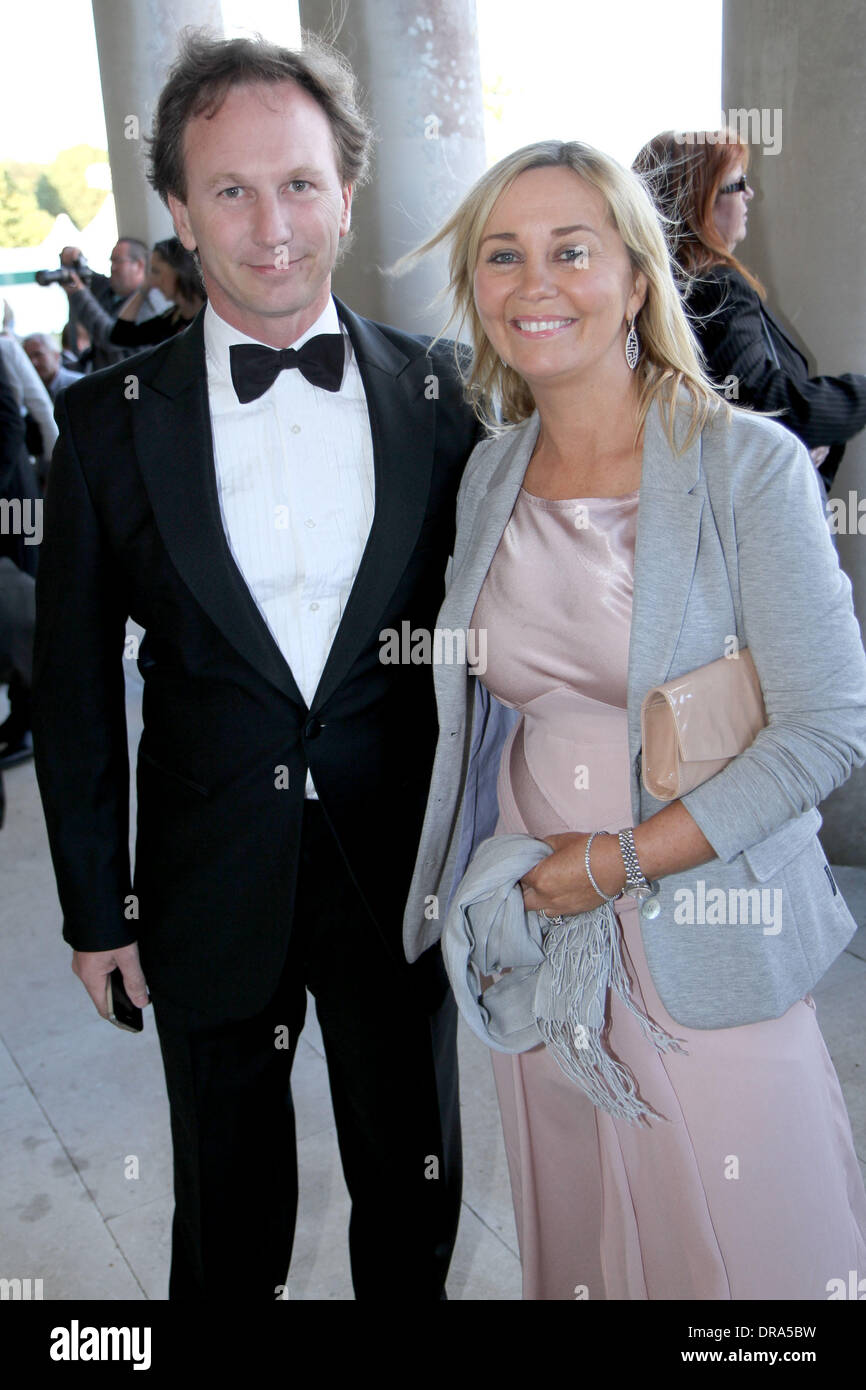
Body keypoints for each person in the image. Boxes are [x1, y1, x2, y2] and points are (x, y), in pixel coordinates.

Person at [32, 31, 478, 1301]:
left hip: (402, 871)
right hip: (202, 876)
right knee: (226, 1212)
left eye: (296, 183)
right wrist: (94, 906)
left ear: (346, 189)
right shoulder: (104, 426)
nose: (269, 222)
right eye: (229, 188)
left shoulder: (444, 397)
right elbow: (70, 692)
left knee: (414, 1180)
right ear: (176, 209)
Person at [403, 140, 866, 1300]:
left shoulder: (742, 464)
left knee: (754, 1238)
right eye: (501, 256)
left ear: (636, 276)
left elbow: (825, 728)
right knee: (584, 1214)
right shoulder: (489, 471)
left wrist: (610, 863)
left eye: (570, 249)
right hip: (538, 922)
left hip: (697, 909)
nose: (533, 283)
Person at [633, 130, 866, 487]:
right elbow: (766, 405)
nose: (749, 194)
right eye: (738, 183)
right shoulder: (717, 286)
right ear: (702, 200)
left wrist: (812, 442)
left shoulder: (644, 288)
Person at [59, 238, 170, 371]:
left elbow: (112, 338)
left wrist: (79, 293)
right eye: (111, 261)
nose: (113, 267)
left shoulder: (150, 302)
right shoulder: (109, 291)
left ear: (139, 265)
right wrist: (73, 259)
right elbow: (88, 279)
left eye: (118, 261)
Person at [109, 236, 206, 348]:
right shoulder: (173, 318)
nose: (152, 281)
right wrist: (143, 289)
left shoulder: (209, 313)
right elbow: (120, 335)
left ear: (179, 269)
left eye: (156, 272)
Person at [22, 333, 83, 402]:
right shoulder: (26, 391)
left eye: (38, 354)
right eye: (27, 357)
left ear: (56, 355)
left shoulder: (79, 384)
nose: (33, 362)